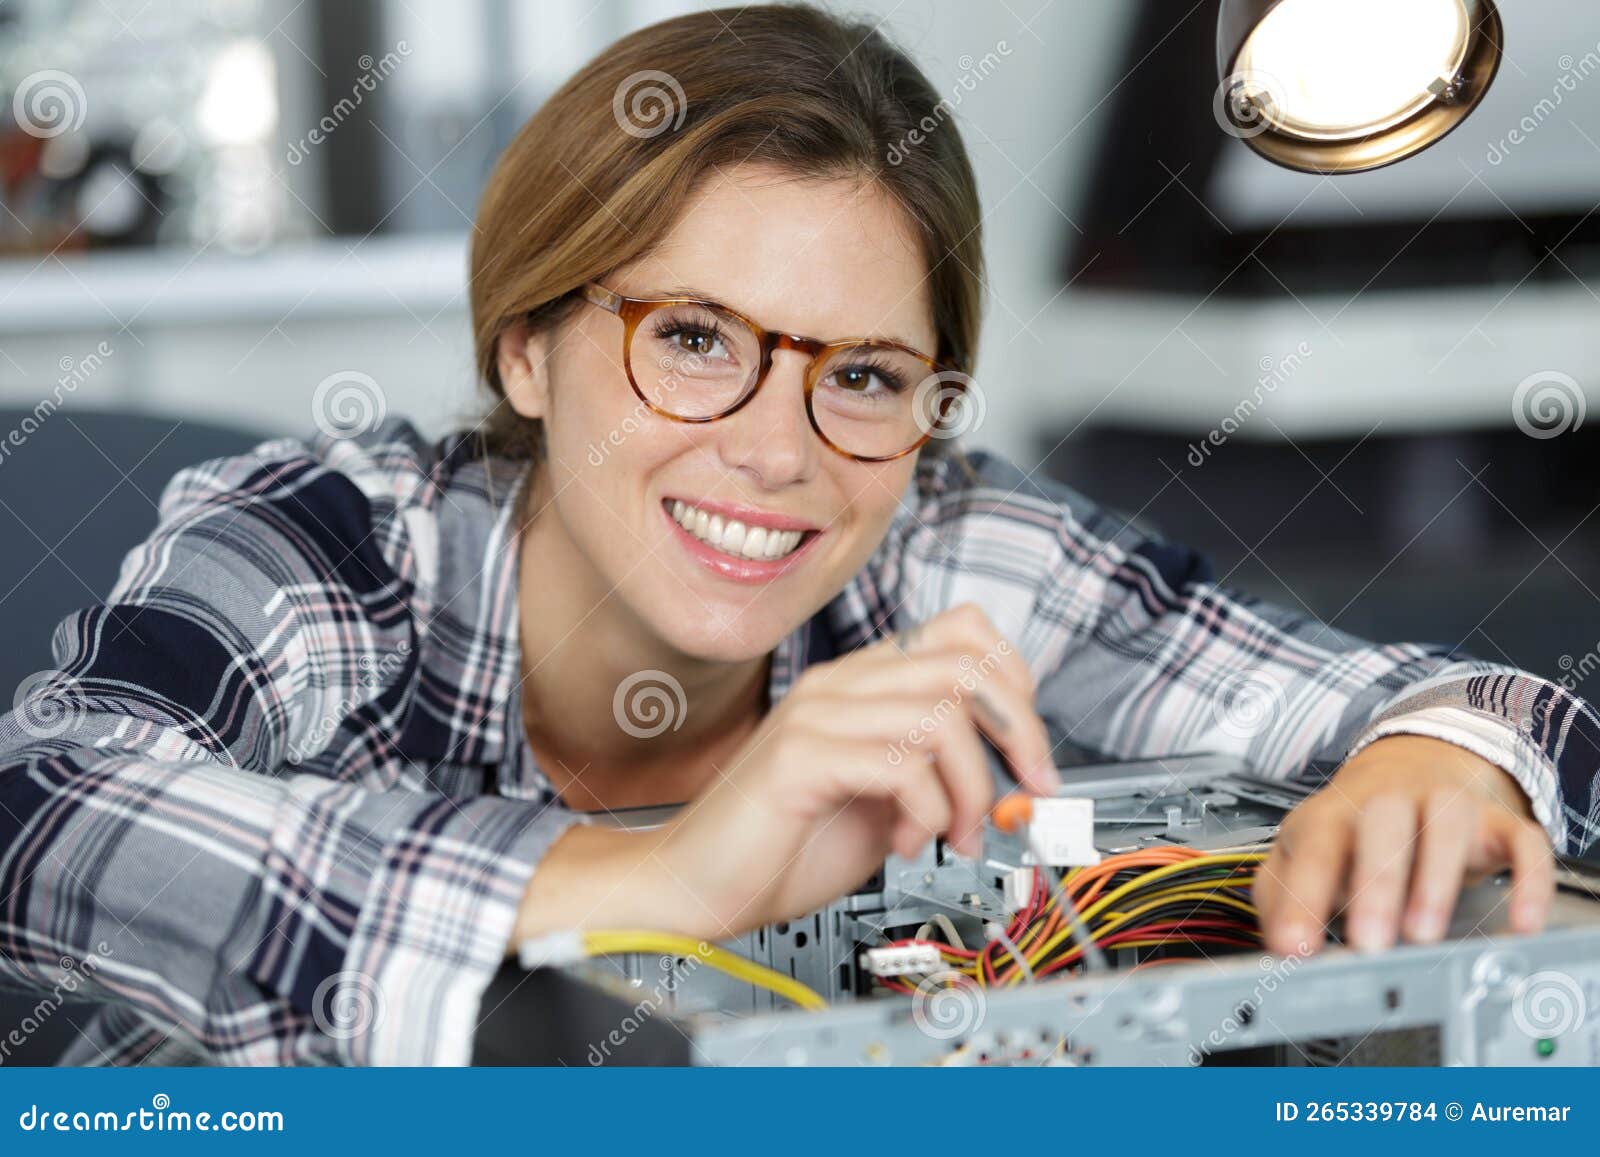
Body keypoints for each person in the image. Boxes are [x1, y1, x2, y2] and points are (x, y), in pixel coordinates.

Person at [0, 2, 1592, 1066]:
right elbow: (44, 810)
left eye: (869, 375)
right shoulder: (330, 543)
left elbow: (1435, 699)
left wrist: (1439, 756)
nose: (778, 449)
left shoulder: (939, 535)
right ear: (527, 347)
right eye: (694, 337)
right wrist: (657, 871)